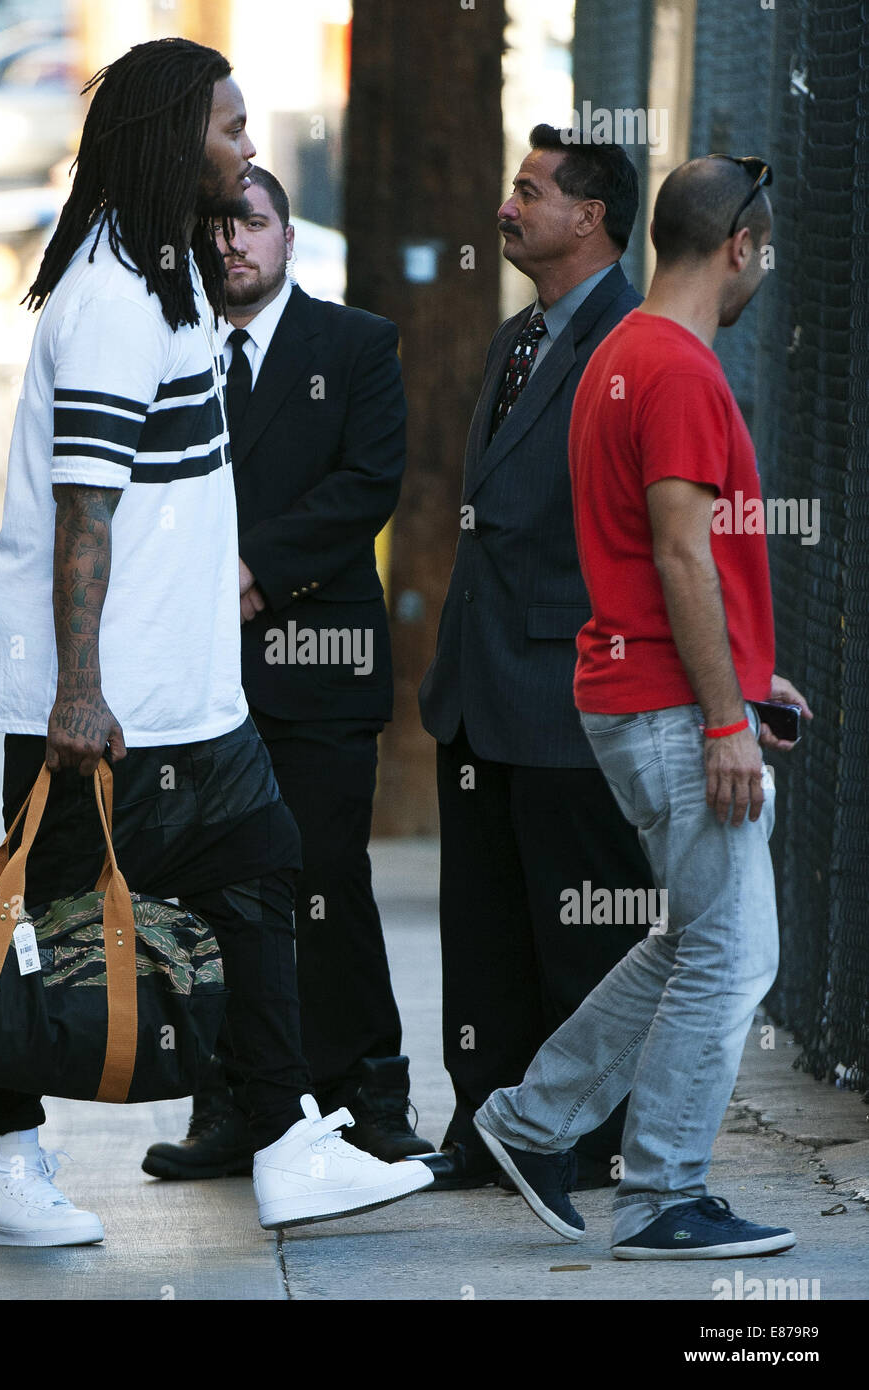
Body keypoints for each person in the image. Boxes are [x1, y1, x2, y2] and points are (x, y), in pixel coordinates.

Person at [0, 38, 431, 1247]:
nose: (248, 147)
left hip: (188, 701)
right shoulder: (115, 299)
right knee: (51, 918)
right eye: (231, 126)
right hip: (105, 705)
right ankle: (2, 1164)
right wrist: (76, 692)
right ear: (181, 140)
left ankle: (286, 1144)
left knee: (262, 881)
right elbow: (85, 507)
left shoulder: (159, 275)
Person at [472, 153, 811, 1259]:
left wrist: (750, 679)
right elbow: (676, 552)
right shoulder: (674, 368)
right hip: (671, 710)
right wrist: (724, 720)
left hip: (646, 692)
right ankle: (662, 1190)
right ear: (740, 248)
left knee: (688, 939)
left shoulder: (620, 351)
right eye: (765, 252)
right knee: (733, 955)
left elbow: (658, 553)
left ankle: (531, 1122)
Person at [142, 167, 432, 1181]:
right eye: (215, 226)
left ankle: (367, 1094)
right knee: (214, 891)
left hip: (318, 665)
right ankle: (233, 1106)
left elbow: (368, 482)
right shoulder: (167, 351)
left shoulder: (354, 345)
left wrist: (253, 568)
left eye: (250, 224)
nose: (232, 243)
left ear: (288, 236)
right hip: (193, 670)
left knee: (323, 877)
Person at [418, 126, 653, 1190]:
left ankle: (580, 1136)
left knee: (579, 924)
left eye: (529, 190)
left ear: (589, 216)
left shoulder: (631, 340)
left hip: (567, 691)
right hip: (476, 688)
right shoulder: (518, 336)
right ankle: (486, 1122)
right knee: (482, 926)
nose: (506, 208)